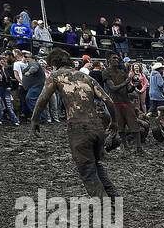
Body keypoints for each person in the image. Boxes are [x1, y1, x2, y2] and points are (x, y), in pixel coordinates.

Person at [29, 48, 117, 198]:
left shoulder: (57, 76)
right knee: (96, 163)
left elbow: (43, 98)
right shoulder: (85, 77)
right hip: (96, 125)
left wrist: (34, 119)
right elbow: (108, 100)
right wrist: (114, 122)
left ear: (54, 63)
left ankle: (103, 203)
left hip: (78, 127)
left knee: (87, 169)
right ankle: (113, 196)